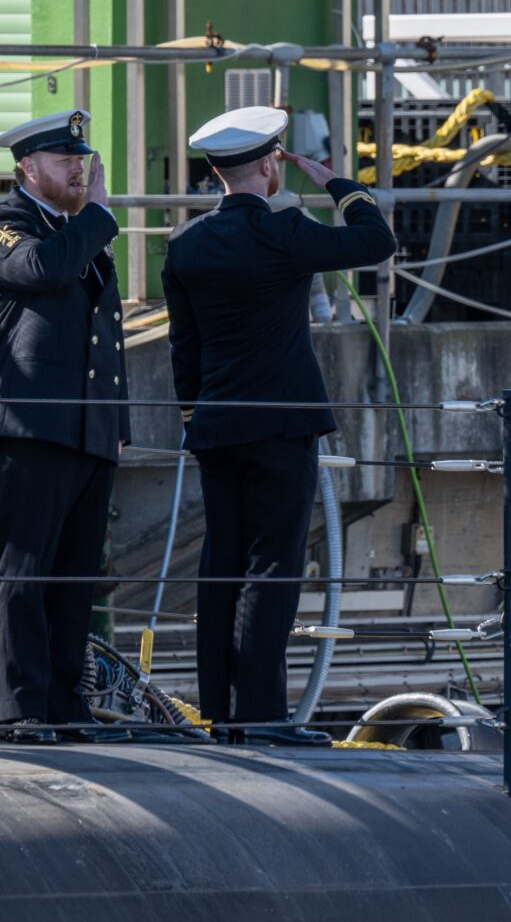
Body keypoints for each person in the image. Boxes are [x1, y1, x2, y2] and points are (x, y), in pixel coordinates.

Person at [164, 106, 395, 745]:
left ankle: (221, 714)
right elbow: (377, 241)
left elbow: (184, 348)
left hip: (215, 423)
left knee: (223, 564)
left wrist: (195, 415)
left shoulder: (184, 245)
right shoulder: (285, 230)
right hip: (281, 424)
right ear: (268, 166)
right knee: (273, 567)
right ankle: (263, 715)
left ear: (213, 173)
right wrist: (338, 184)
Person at [0, 108, 129, 743]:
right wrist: (97, 218)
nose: (79, 168)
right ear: (27, 168)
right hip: (33, 429)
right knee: (24, 573)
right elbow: (41, 270)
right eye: (65, 160)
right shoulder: (2, 226)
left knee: (74, 580)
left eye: (81, 157)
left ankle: (67, 703)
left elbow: (101, 337)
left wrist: (113, 427)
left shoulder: (80, 239)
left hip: (89, 434)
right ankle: (23, 708)